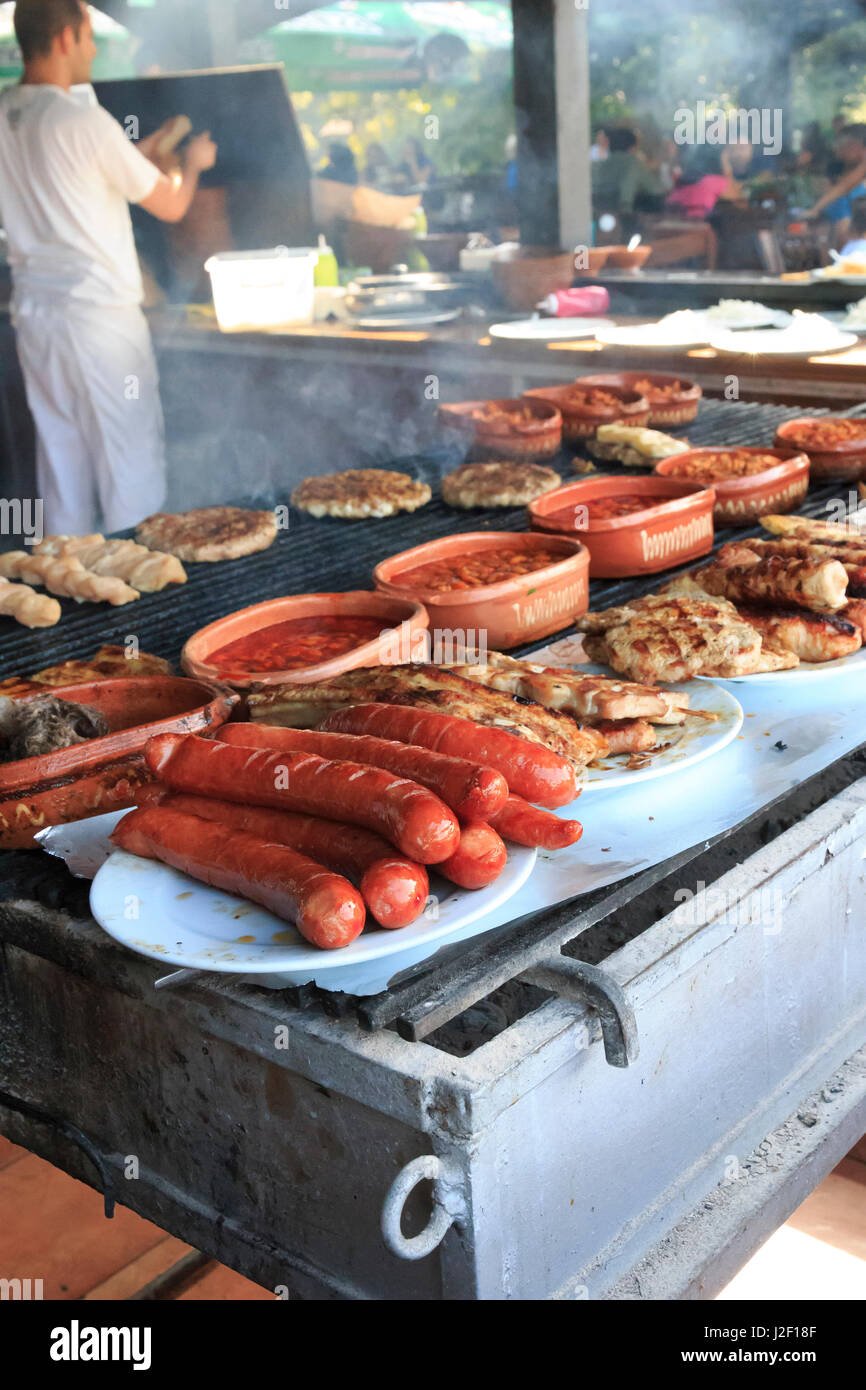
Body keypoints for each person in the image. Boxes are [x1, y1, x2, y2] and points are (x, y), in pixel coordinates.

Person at [0, 0, 217, 536]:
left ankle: (72, 591)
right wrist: (191, 165)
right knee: (130, 465)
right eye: (91, 36)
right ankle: (146, 607)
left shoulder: (6, 113)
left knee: (62, 464)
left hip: (37, 316)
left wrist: (139, 152)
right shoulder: (82, 119)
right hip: (100, 321)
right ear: (65, 39)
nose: (94, 50)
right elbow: (171, 205)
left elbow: (77, 174)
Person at [805, 124, 866, 246]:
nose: (839, 149)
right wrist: (814, 209)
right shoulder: (839, 168)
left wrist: (815, 209)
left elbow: (843, 187)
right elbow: (842, 187)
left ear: (857, 145)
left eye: (845, 145)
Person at [591, 127, 663, 218]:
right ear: (632, 147)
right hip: (627, 218)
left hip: (600, 217)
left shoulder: (599, 165)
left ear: (609, 145)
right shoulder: (633, 164)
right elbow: (655, 190)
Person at [665, 146, 742, 220]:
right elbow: (740, 203)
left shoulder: (683, 180)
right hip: (699, 228)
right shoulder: (716, 182)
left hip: (672, 225)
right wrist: (727, 169)